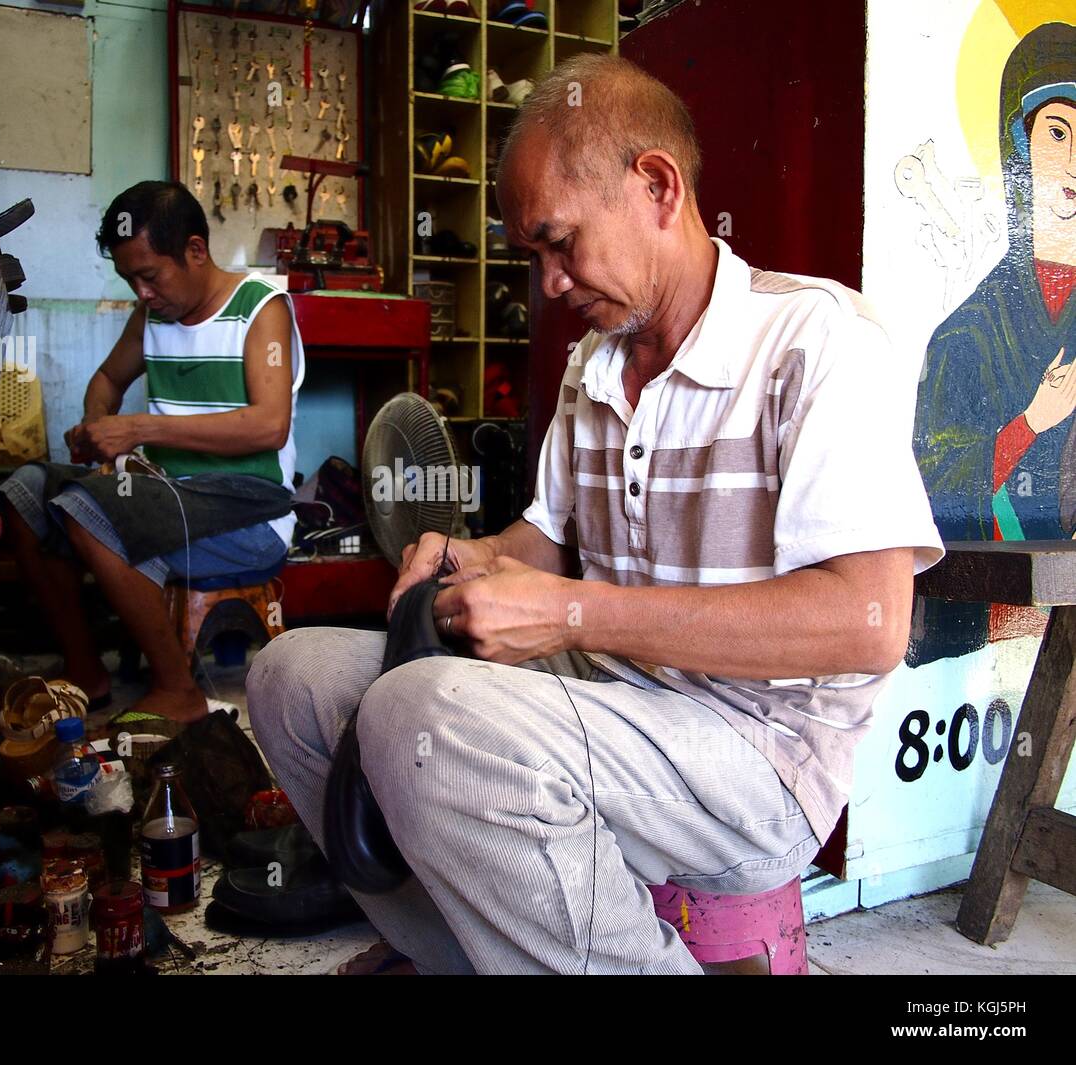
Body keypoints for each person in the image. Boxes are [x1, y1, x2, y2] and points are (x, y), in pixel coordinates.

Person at [247, 54, 943, 975]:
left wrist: (570, 610)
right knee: (293, 679)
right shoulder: (597, 365)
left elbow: (867, 623)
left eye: (559, 243)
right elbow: (538, 541)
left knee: (425, 714)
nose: (548, 285)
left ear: (656, 184)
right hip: (608, 698)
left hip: (753, 760)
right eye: (531, 257)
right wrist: (468, 556)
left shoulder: (818, 345)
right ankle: (463, 955)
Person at [0, 181, 304, 723]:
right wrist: (98, 433)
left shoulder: (261, 309)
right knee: (26, 492)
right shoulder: (152, 316)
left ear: (194, 250)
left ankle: (179, 690)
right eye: (129, 279)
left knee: (87, 512)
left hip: (251, 512)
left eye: (149, 275)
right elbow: (106, 382)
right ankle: (86, 672)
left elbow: (269, 426)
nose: (141, 292)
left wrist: (135, 429)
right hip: (168, 495)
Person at [913, 22, 1076, 666]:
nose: (1074, 161)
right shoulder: (964, 336)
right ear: (1020, 148)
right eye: (1058, 133)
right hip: (992, 643)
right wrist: (1031, 423)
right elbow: (930, 497)